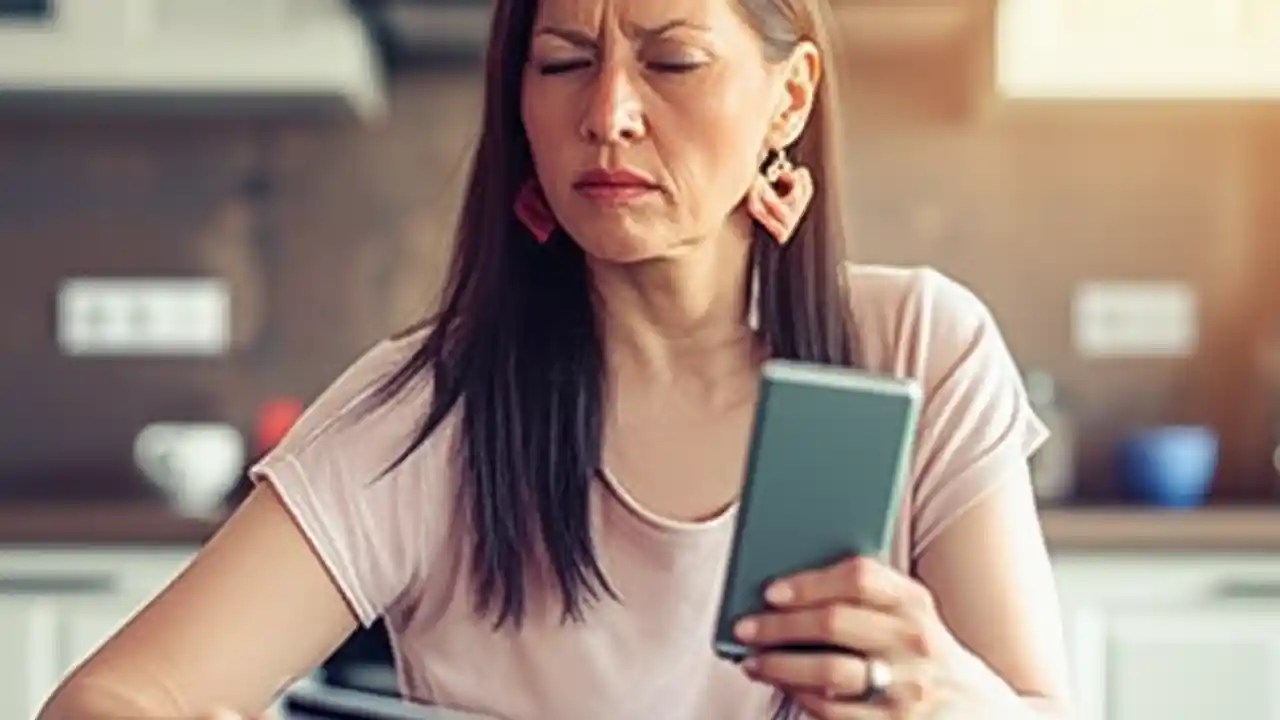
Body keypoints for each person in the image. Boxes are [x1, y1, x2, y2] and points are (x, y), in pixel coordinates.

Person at [39, 0, 1072, 718]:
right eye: (563, 61)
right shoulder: (431, 405)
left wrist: (940, 696)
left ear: (787, 99)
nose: (607, 114)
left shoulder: (916, 347)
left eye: (670, 61)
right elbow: (106, 700)